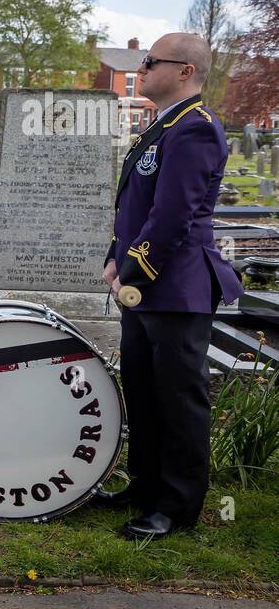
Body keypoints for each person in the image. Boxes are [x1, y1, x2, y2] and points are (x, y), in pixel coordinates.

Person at [95, 32, 243, 540]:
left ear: (184, 71)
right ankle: (146, 487)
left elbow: (174, 216)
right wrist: (116, 257)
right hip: (145, 284)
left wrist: (133, 267)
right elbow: (134, 208)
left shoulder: (194, 129)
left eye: (151, 61)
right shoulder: (163, 127)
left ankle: (176, 508)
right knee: (142, 389)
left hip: (176, 287)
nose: (142, 68)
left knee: (179, 398)